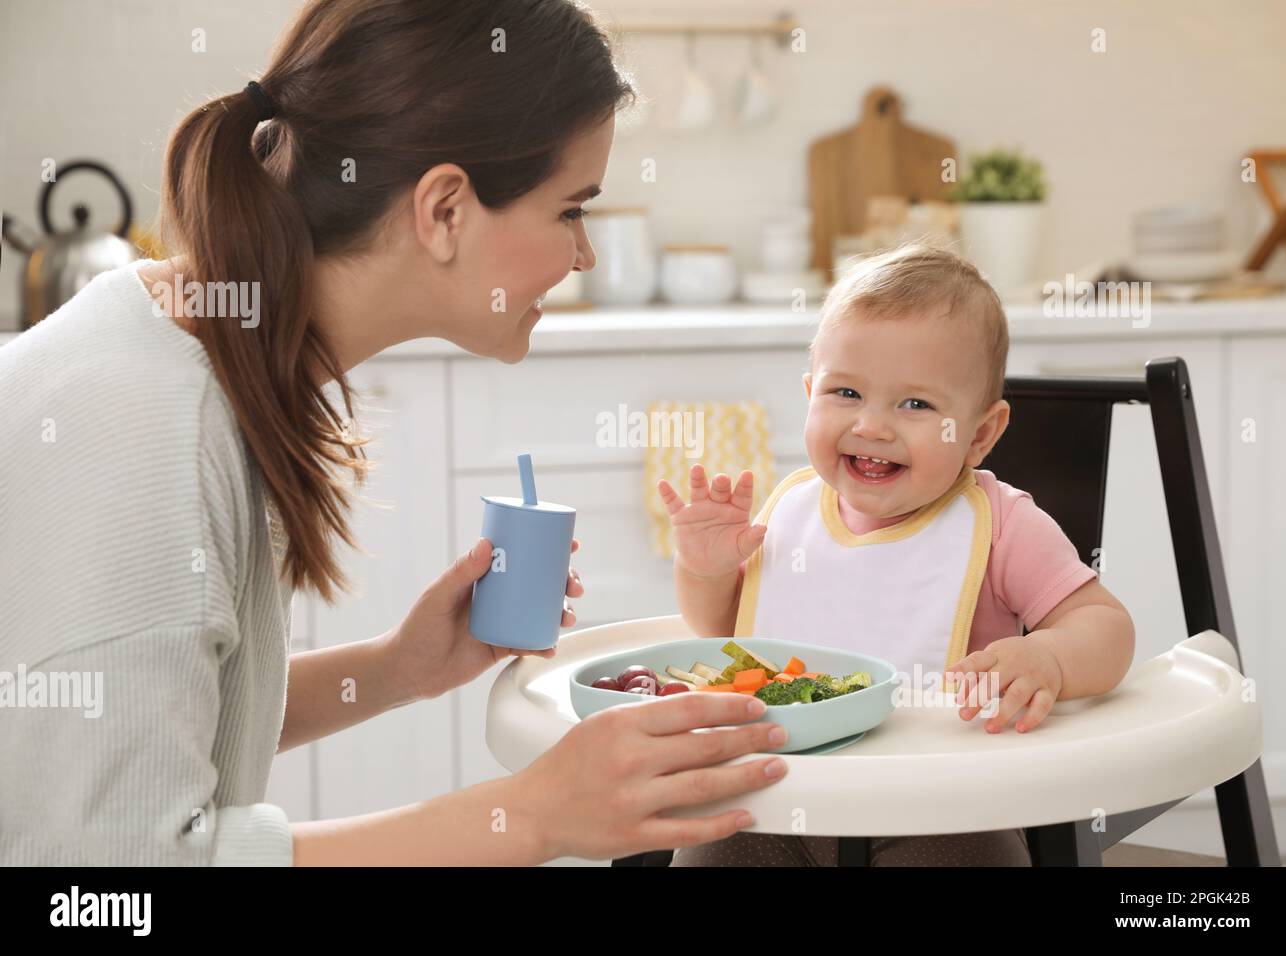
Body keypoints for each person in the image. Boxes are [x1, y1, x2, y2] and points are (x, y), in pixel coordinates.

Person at [0, 0, 789, 867]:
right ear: (445, 210)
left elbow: (158, 725)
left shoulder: (186, 351)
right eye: (572, 210)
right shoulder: (146, 434)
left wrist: (393, 670)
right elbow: (106, 889)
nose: (583, 258)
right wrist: (527, 817)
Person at [658, 243, 1136, 866]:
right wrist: (705, 568)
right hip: (778, 799)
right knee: (706, 841)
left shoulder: (1001, 525)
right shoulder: (793, 512)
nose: (873, 426)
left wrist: (1046, 656)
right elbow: (729, 633)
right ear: (810, 394)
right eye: (846, 392)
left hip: (940, 804)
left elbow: (1108, 627)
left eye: (916, 404)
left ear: (981, 433)